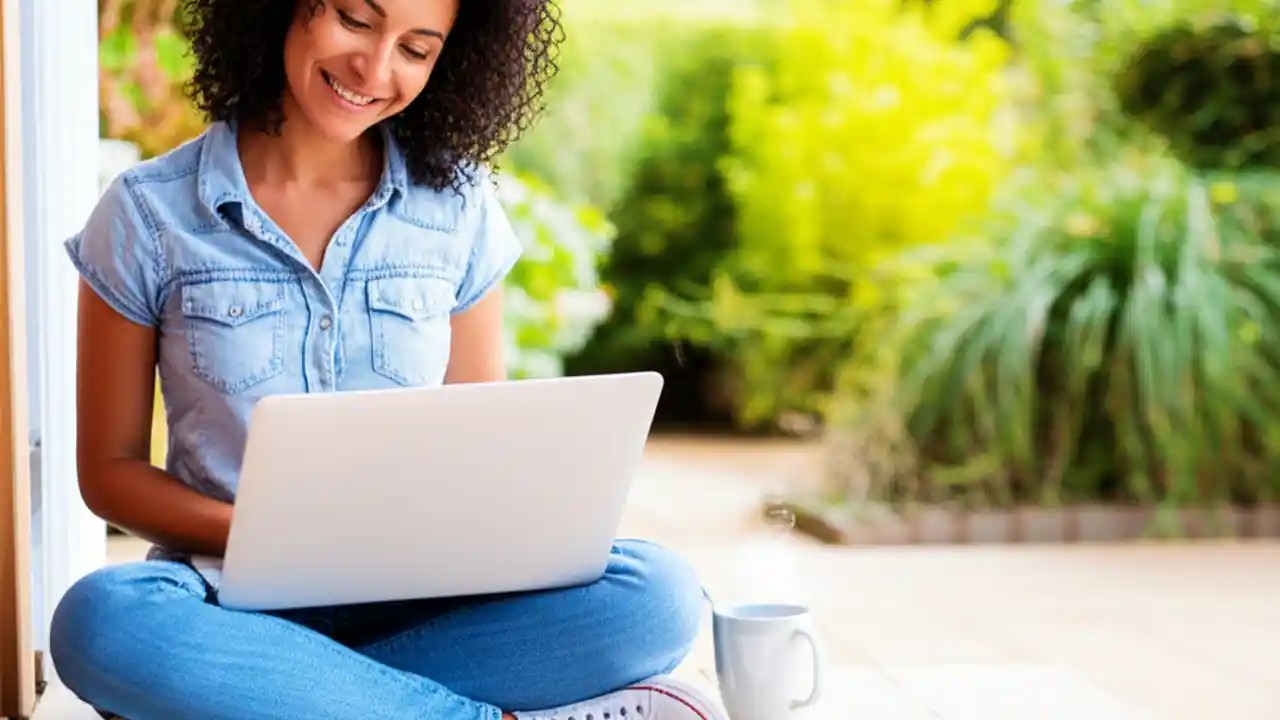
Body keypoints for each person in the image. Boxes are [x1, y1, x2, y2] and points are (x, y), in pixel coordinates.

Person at [48, 1, 729, 718]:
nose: (374, 69)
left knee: (656, 593)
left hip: (422, 607)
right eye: (353, 18)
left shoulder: (457, 208)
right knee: (102, 619)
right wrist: (282, 536)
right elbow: (110, 475)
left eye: (417, 48)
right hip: (230, 604)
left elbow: (479, 449)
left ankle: (279, 700)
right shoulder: (147, 214)